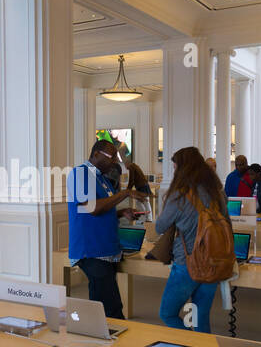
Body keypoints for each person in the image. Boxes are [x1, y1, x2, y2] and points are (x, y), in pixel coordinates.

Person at [67, 139, 146, 320]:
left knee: (104, 305)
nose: (115, 162)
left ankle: (103, 341)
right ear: (96, 155)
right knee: (111, 308)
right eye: (112, 157)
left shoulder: (102, 178)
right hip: (92, 250)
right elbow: (91, 208)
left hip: (106, 249)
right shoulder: (80, 174)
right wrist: (125, 193)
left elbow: (103, 208)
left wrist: (121, 213)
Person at [155, 147, 229, 333]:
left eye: (175, 168)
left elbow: (160, 227)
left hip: (186, 263)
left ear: (182, 169)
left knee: (168, 313)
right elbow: (226, 223)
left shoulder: (179, 196)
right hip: (214, 261)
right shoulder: (217, 192)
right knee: (199, 316)